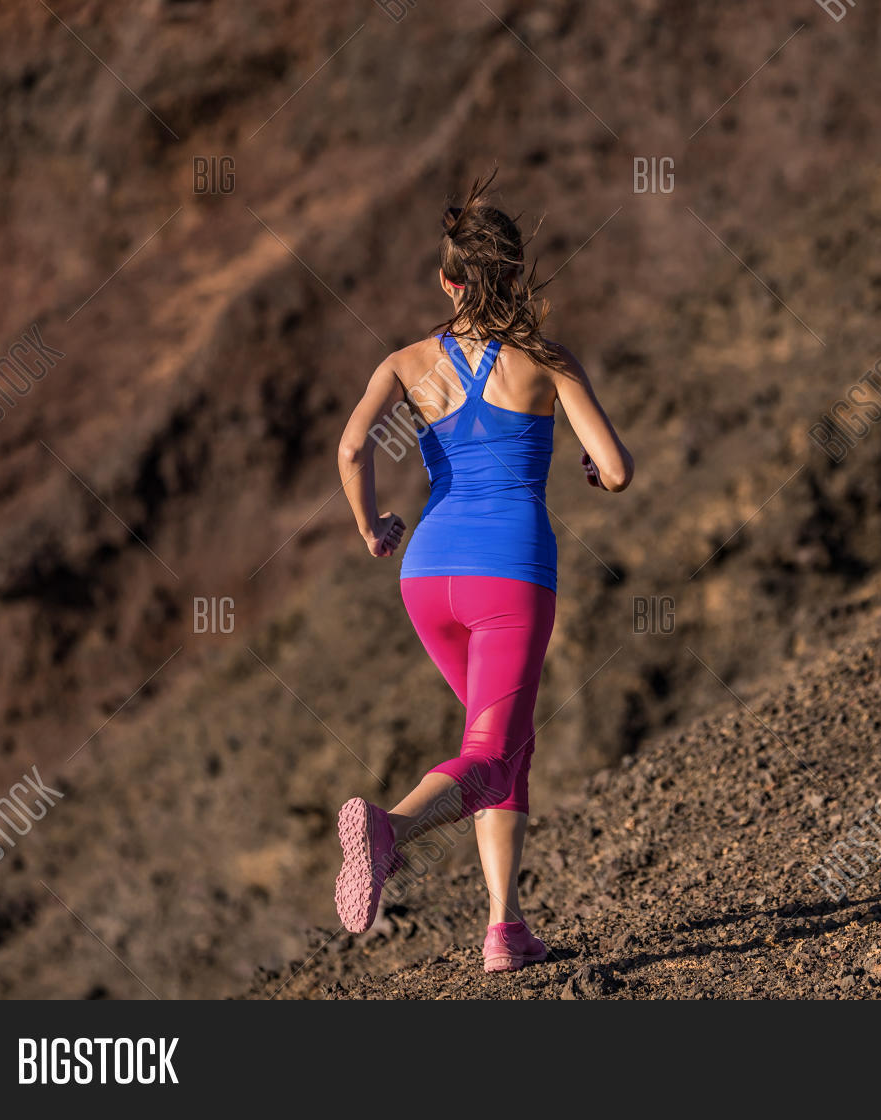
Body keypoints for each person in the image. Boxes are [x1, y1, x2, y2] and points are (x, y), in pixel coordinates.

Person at [332, 171, 632, 971]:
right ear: (514, 273)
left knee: (503, 744)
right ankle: (388, 828)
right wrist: (594, 473)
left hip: (427, 575)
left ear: (448, 279)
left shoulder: (405, 362)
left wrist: (371, 528)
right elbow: (617, 468)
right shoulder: (547, 359)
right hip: (511, 574)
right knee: (493, 751)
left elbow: (354, 447)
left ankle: (505, 928)